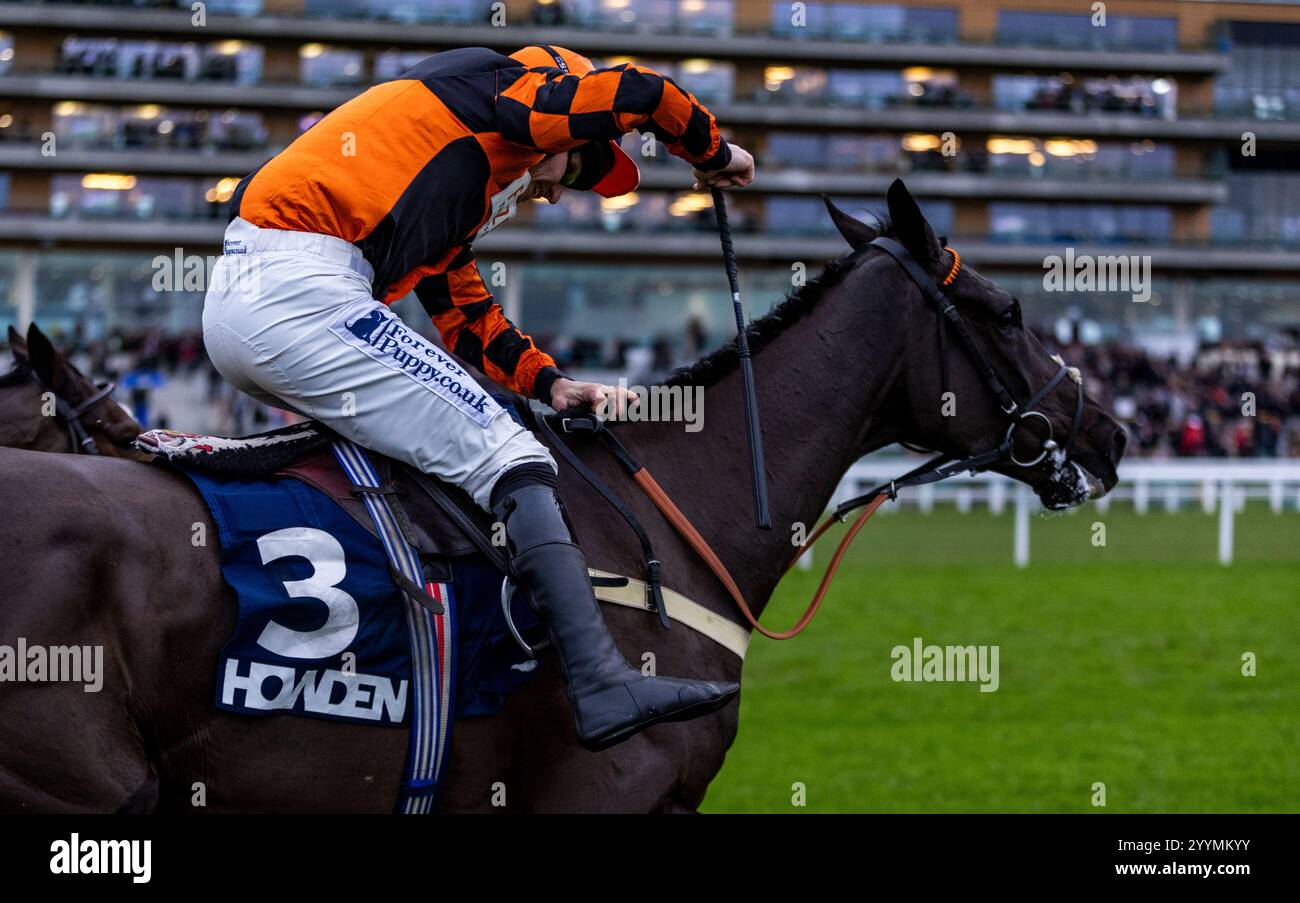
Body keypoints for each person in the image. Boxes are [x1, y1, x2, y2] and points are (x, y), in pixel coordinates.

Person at [202, 44, 756, 751]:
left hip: (270, 294)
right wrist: (714, 152)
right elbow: (644, 94)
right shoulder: (505, 93)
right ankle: (598, 680)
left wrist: (552, 383)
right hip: (300, 292)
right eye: (577, 163)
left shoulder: (447, 170)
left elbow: (468, 320)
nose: (559, 191)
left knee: (463, 445)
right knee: (510, 453)